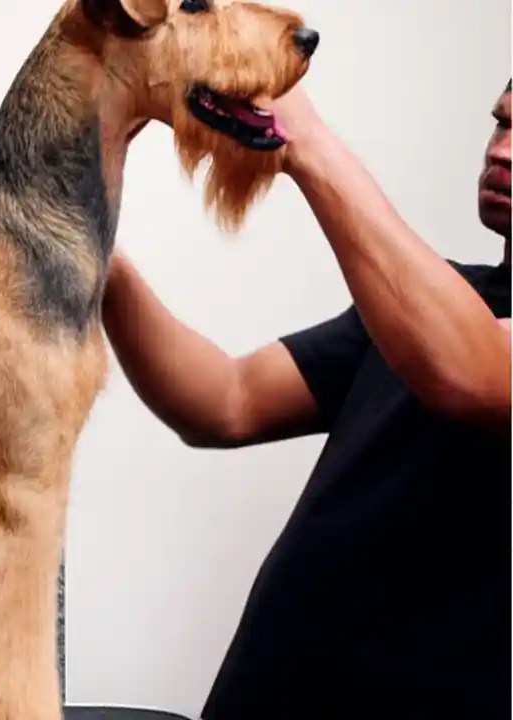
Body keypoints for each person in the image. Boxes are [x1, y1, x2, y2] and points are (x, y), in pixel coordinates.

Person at [102, 79, 511, 719]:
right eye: (501, 123)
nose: (501, 150)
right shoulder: (440, 301)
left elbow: (476, 376)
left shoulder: (452, 339)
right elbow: (226, 401)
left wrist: (306, 139)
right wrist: (94, 255)